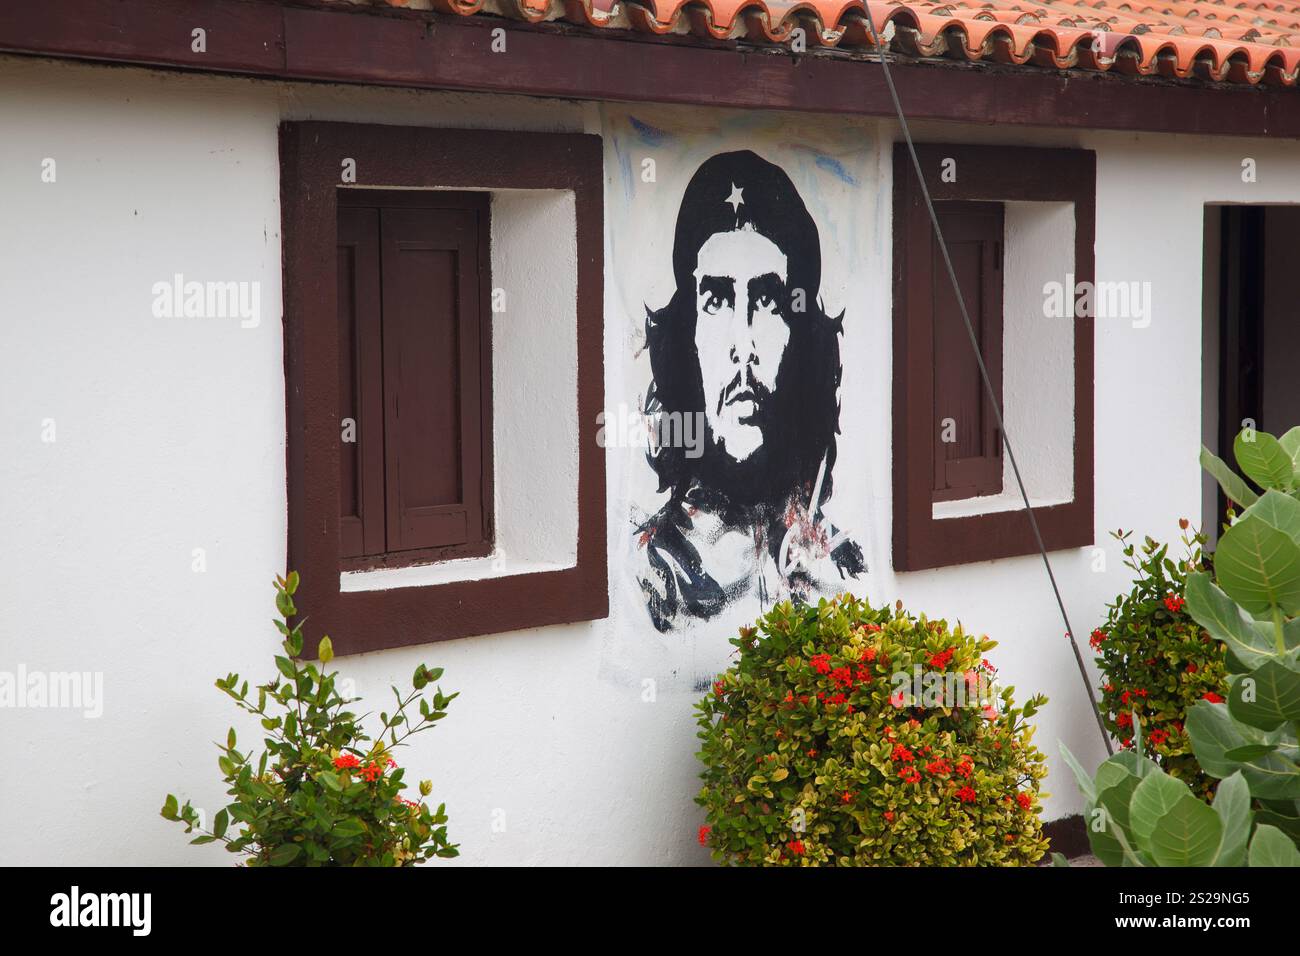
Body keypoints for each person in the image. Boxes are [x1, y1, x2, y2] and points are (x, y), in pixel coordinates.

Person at [635, 149, 864, 632]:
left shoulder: (840, 569)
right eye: (717, 300)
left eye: (767, 301)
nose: (745, 347)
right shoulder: (652, 571)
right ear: (685, 335)